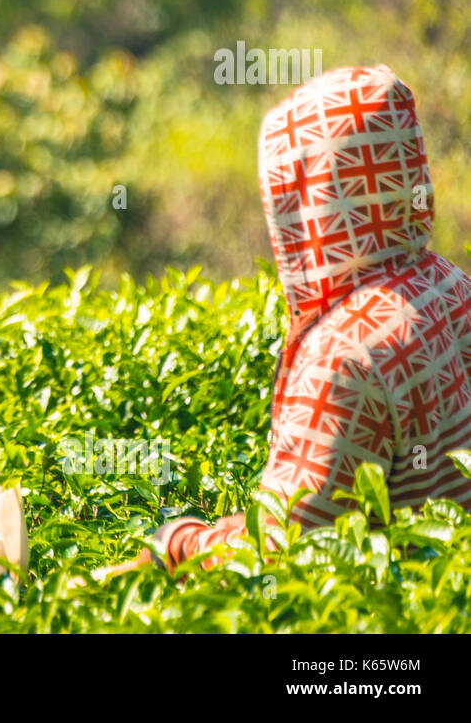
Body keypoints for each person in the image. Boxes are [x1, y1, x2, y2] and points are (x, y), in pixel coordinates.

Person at [99, 65, 471, 578]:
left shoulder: (342, 355)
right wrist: (226, 528)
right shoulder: (451, 286)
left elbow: (285, 550)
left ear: (309, 199)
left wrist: (179, 544)